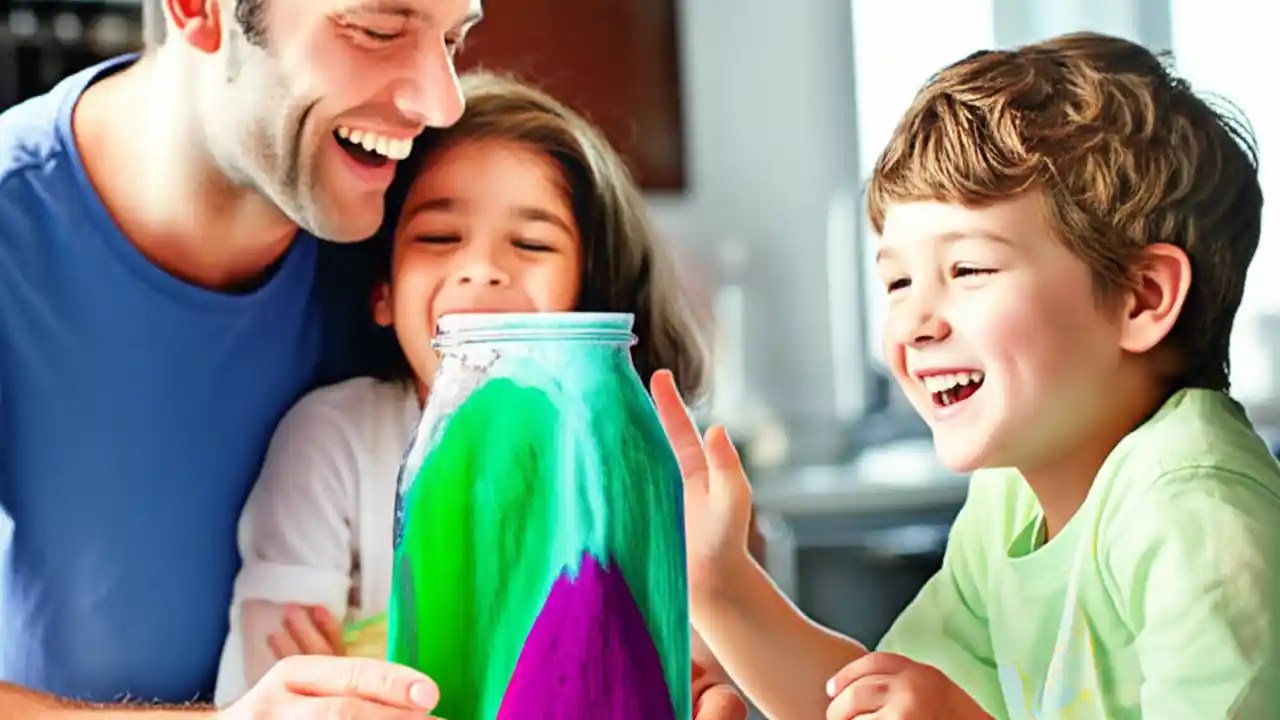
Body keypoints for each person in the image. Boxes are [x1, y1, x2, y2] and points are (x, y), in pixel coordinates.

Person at [0, 0, 742, 715]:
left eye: (453, 42)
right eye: (378, 27)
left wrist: (696, 652)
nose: (441, 102)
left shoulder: (396, 211)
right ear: (197, 7)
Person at [652, 31, 1279, 720]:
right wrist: (721, 585)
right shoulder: (1010, 500)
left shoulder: (1196, 519)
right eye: (896, 282)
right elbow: (879, 703)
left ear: (1142, 298)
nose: (916, 323)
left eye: (969, 269)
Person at [211, 72, 738, 720]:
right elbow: (271, 681)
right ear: (383, 289)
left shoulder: (621, 456)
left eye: (531, 243)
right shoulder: (333, 441)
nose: (484, 266)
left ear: (590, 300)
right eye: (438, 237)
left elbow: (665, 661)